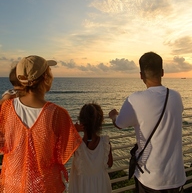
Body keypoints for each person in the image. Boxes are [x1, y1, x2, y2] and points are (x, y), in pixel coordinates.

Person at [0, 55, 82, 193]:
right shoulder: (57, 114)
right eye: (49, 71)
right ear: (45, 78)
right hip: (45, 186)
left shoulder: (6, 107)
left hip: (12, 185)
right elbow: (61, 155)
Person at [108, 51, 186, 193]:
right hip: (176, 177)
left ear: (141, 75)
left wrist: (113, 115)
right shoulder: (175, 96)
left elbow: (119, 124)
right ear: (162, 72)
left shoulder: (134, 100)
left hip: (149, 178)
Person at [68, 103, 113, 193]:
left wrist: (72, 130)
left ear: (81, 123)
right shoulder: (105, 142)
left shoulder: (76, 144)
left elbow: (63, 152)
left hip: (81, 187)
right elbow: (110, 164)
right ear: (99, 123)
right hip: (101, 185)